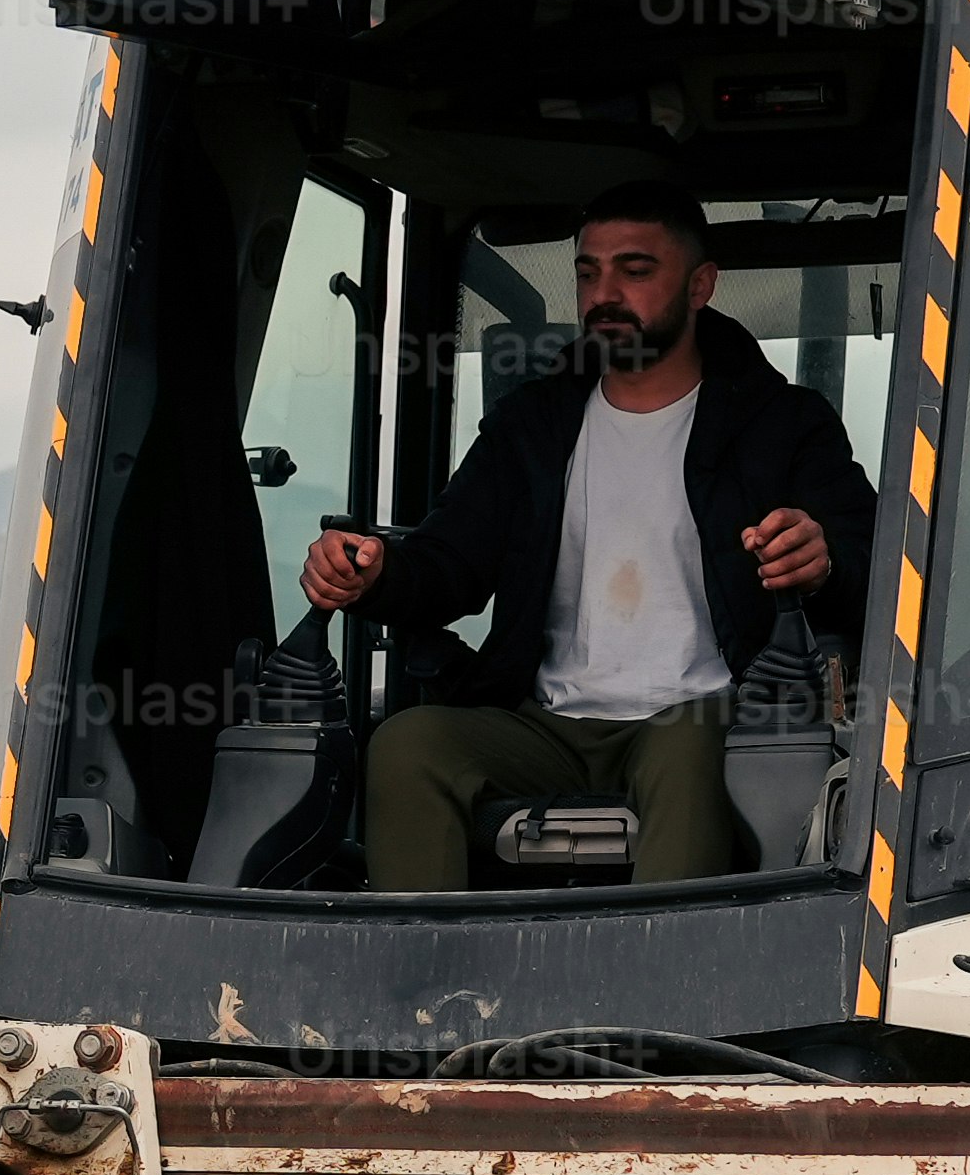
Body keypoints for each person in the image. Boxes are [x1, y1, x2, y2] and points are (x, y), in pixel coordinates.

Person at [300, 183, 870, 889]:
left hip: (712, 712)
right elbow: (449, 563)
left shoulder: (783, 423)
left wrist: (823, 559)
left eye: (634, 271)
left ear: (700, 287)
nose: (604, 293)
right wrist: (375, 574)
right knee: (408, 743)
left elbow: (875, 565)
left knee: (690, 747)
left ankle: (655, 995)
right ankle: (428, 991)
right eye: (587, 271)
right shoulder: (532, 425)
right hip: (548, 724)